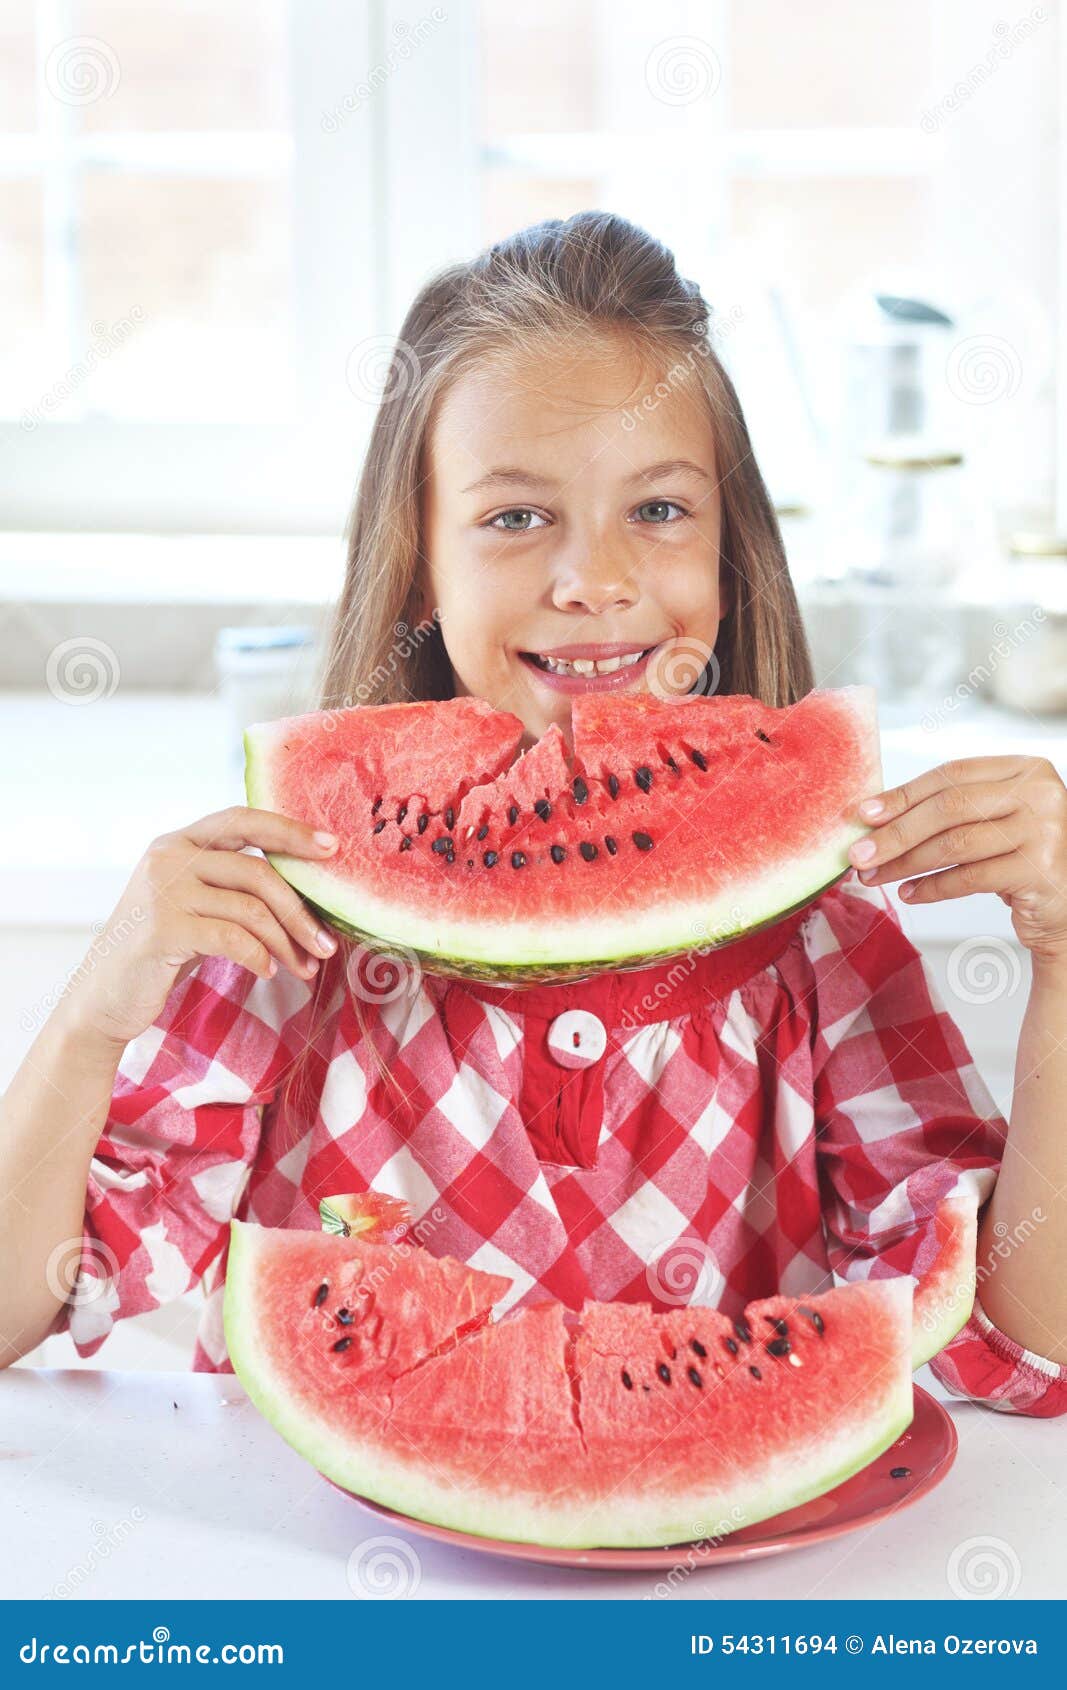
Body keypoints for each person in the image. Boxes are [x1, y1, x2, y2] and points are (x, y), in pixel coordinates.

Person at [3, 213, 1064, 1419]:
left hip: (714, 1599)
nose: (593, 580)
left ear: (727, 560)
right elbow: (27, 1301)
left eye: (659, 510)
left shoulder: (823, 948)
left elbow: (1019, 1350)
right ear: (418, 568)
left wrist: (1062, 956)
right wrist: (95, 1007)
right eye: (515, 518)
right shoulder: (288, 931)